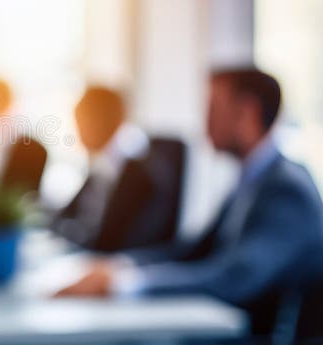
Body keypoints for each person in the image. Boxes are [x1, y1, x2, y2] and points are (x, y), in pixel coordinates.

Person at [56, 68, 323, 334]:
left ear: (247, 113)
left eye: (213, 108)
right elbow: (194, 250)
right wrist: (120, 266)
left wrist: (125, 283)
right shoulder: (253, 179)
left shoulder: (286, 189)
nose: (205, 120)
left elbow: (238, 276)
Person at [52, 86, 181, 251]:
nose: (77, 132)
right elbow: (66, 215)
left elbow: (113, 241)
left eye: (81, 122)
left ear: (100, 120)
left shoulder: (140, 172)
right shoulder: (103, 163)